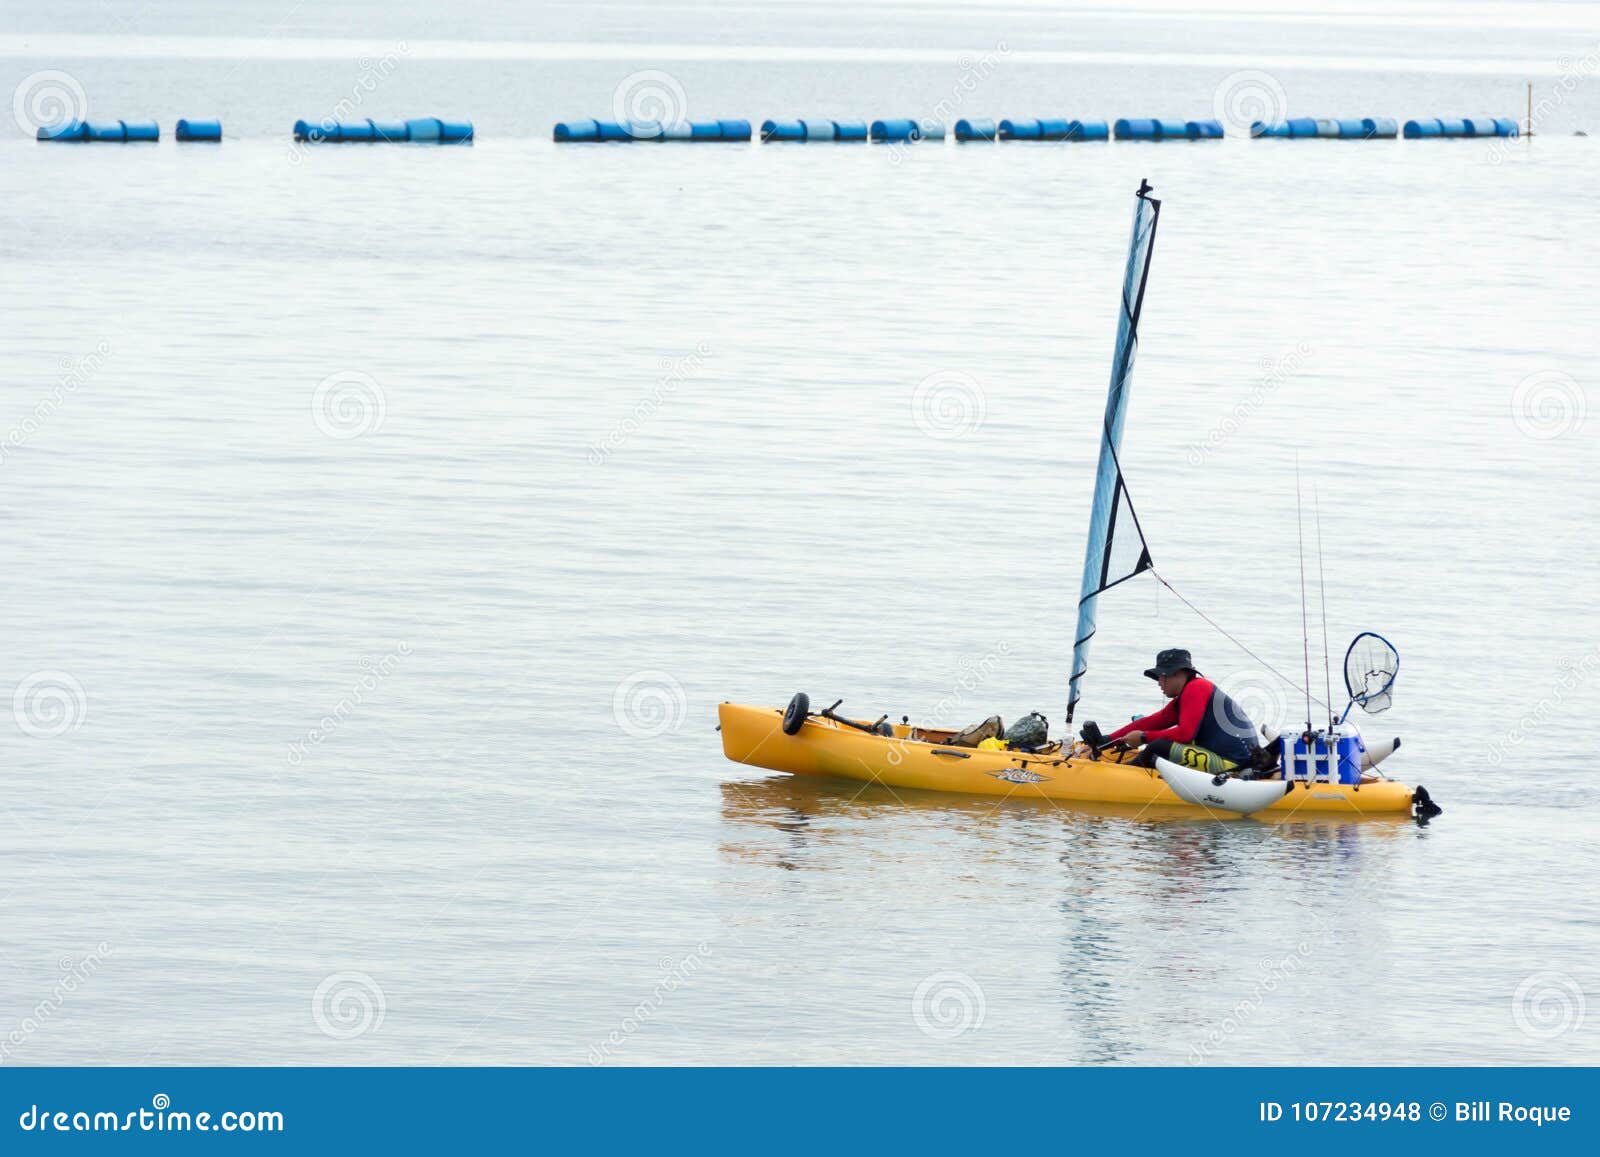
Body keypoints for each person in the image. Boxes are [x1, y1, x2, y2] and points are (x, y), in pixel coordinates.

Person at [1103, 648, 1261, 775]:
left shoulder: (1197, 688)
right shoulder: (1189, 693)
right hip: (1235, 757)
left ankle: (1128, 775)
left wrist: (1144, 737)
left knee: (1158, 747)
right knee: (1159, 746)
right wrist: (1107, 740)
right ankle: (1135, 768)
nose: (1158, 682)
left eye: (1161, 676)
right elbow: (1151, 722)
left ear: (1177, 674)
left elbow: (1186, 734)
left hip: (1232, 763)